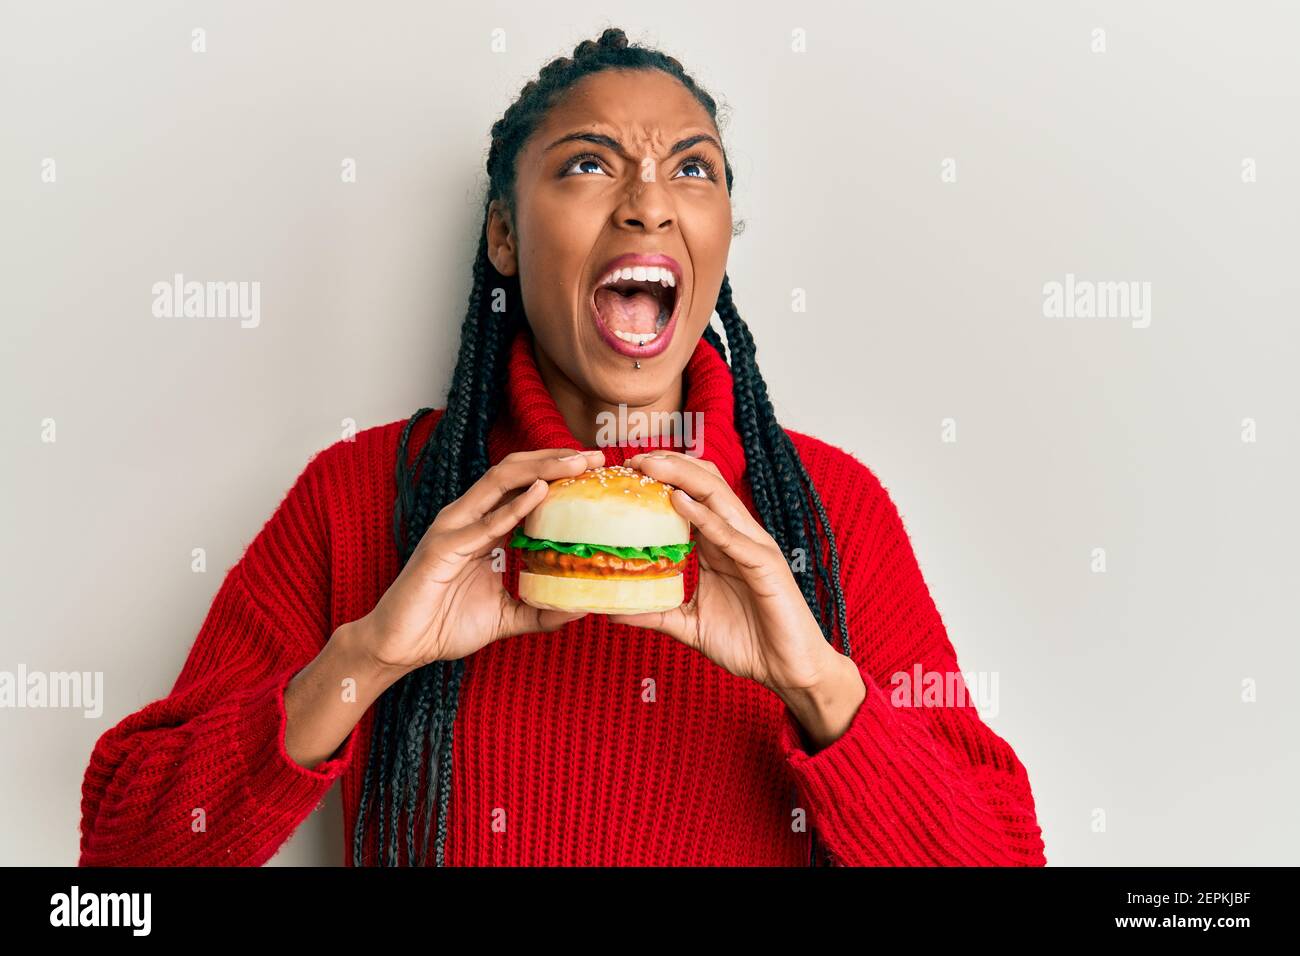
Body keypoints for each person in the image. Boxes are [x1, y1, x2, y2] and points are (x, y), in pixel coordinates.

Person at [78, 27, 1047, 867]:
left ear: (719, 234)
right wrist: (367, 657)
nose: (646, 204)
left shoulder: (827, 506)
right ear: (503, 234)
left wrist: (819, 686)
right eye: (588, 164)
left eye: (693, 168)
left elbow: (1001, 852)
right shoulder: (367, 492)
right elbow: (124, 852)